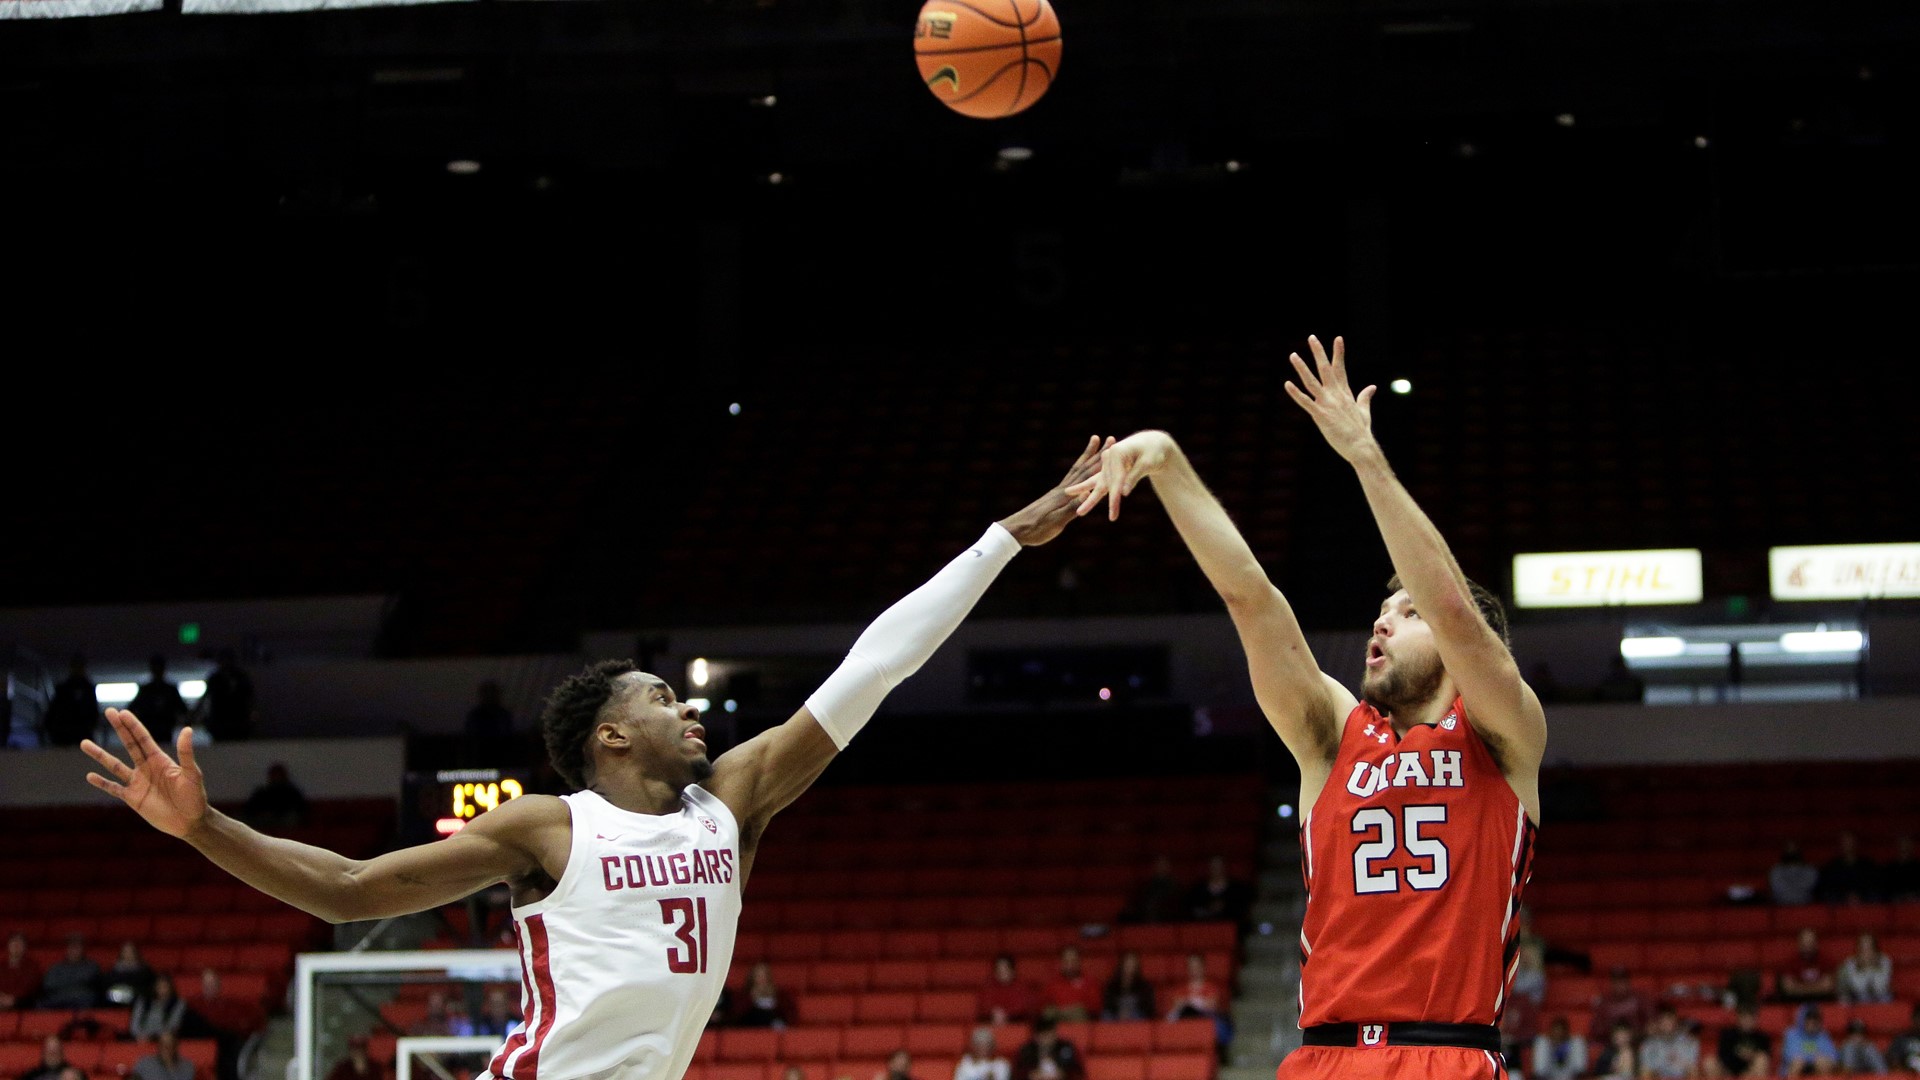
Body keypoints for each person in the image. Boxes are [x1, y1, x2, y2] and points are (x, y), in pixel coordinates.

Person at [79, 440, 1106, 1080]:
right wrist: (201, 826)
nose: (687, 707)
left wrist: (1005, 539)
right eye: (660, 698)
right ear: (610, 736)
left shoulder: (731, 804)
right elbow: (348, 891)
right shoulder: (551, 826)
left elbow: (873, 667)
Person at [1074, 338, 1546, 1080]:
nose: (1381, 622)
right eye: (1382, 611)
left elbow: (1454, 608)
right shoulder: (1333, 737)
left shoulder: (1504, 736)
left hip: (1446, 1056)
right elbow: (1251, 599)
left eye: (1407, 612)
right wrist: (1167, 463)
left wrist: (1365, 456)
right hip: (1323, 1057)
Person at [1164, 953, 1232, 1061]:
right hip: (1186, 1024)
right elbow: (1177, 1007)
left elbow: (1211, 1005)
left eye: (1197, 966)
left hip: (1205, 1021)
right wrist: (1198, 1002)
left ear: (1203, 967)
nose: (1194, 969)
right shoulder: (1180, 990)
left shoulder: (1211, 988)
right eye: (1191, 966)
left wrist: (1188, 1002)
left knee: (1218, 1025)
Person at [197, 648, 256, 742]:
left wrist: (251, 714)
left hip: (238, 718)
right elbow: (206, 696)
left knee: (238, 743)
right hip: (220, 719)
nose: (226, 663)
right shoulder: (215, 678)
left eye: (228, 660)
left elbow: (250, 697)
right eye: (223, 660)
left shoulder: (241, 677)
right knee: (222, 743)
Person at [128, 655, 189, 741]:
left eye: (159, 668)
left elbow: (183, 710)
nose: (157, 670)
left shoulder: (170, 690)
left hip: (165, 728)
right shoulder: (146, 690)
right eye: (155, 668)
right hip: (150, 728)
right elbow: (132, 708)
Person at [43, 655, 99, 747]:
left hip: (83, 732)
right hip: (64, 733)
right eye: (76, 667)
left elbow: (93, 711)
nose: (78, 670)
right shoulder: (63, 688)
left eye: (80, 667)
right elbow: (54, 710)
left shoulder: (88, 689)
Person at [1184, 855, 1251, 927]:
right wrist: (1209, 908)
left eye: (1219, 866)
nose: (1216, 870)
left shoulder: (1237, 889)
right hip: (1204, 928)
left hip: (1232, 928)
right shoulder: (1198, 890)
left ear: (1225, 868)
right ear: (1209, 868)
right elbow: (1192, 910)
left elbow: (1242, 911)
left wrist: (1225, 907)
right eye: (1213, 867)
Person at [1590, 968, 1654, 1042]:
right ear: (1612, 983)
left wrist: (1639, 1034)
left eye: (1622, 981)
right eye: (1616, 982)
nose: (1619, 985)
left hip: (1638, 1041)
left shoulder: (1640, 999)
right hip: (1611, 1043)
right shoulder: (1604, 1003)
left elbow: (1651, 1023)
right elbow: (1597, 1029)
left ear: (1628, 982)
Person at [1636, 1004, 1699, 1079]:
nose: (1667, 1024)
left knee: (1693, 1072)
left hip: (1682, 1077)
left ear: (1676, 1022)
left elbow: (1692, 1069)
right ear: (1658, 1023)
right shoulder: (1648, 1044)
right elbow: (1645, 1071)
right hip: (1658, 1078)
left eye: (1670, 1020)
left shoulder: (1689, 1042)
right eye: (1663, 1021)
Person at [38, 934, 101, 1009]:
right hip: (58, 998)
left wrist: (66, 981)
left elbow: (91, 982)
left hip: (82, 999)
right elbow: (48, 984)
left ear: (82, 949)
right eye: (71, 947)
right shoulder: (56, 968)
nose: (74, 951)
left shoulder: (91, 966)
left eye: (77, 947)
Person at [1041, 946, 1101, 1023]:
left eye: (1073, 961)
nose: (1070, 965)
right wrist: (1061, 1011)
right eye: (1066, 961)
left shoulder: (1090, 982)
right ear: (1061, 963)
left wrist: (1075, 1009)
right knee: (1048, 1013)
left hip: (1080, 1019)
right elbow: (1043, 1006)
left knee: (1079, 1013)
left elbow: (1095, 1007)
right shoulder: (1052, 983)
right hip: (1057, 1019)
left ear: (1079, 962)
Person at [1012, 1018, 1085, 1080]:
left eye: (1050, 1035)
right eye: (1044, 1036)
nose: (1048, 1040)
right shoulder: (1026, 1050)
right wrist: (1030, 1075)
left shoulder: (1066, 1048)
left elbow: (1078, 1072)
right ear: (1036, 1037)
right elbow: (1017, 1073)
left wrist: (1063, 1074)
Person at [241, 762, 309, 829]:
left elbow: (300, 809)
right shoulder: (262, 792)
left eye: (279, 775)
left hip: (284, 820)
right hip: (264, 820)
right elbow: (250, 809)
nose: (276, 778)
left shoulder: (292, 792)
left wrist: (279, 813)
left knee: (291, 818)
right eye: (274, 775)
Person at [1775, 929, 1836, 1003]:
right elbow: (1788, 988)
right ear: (1799, 944)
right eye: (1805, 944)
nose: (1808, 947)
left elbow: (1828, 987)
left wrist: (1799, 987)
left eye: (1810, 943)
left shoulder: (1826, 961)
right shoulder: (1790, 962)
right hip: (1795, 1002)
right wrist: (1817, 987)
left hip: (1822, 1002)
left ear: (1816, 944)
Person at [1817, 832, 1880, 903]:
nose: (1848, 845)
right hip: (1840, 902)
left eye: (1850, 841)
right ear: (1840, 844)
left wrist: (1859, 896)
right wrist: (1845, 897)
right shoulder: (1832, 866)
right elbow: (1827, 888)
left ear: (1856, 843)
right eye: (1845, 842)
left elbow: (1873, 885)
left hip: (1864, 902)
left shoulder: (1868, 865)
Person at [1120, 855, 1184, 924]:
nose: (1161, 868)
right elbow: (1140, 901)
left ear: (1169, 868)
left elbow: (1177, 903)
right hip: (1147, 916)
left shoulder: (1175, 886)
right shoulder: (1147, 885)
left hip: (1168, 915)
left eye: (1163, 866)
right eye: (1159, 866)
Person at [1713, 1005, 1772, 1078]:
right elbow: (1722, 1056)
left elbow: (1766, 1058)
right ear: (1738, 1018)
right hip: (1728, 1071)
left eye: (1749, 1018)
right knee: (1710, 1063)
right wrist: (1739, 1056)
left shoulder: (1762, 1038)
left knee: (1761, 1059)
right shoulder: (1728, 1035)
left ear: (1755, 1020)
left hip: (1750, 1073)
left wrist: (1751, 1056)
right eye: (1744, 1018)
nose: (1746, 1021)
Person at [979, 955, 1039, 1025]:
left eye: (1005, 969)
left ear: (1013, 971)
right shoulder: (988, 987)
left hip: (1016, 1023)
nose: (1001, 972)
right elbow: (983, 1008)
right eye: (999, 969)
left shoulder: (1021, 987)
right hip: (991, 1023)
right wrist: (993, 1013)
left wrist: (1006, 1015)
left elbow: (1024, 1009)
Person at [1778, 1007, 1837, 1076]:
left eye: (1815, 1019)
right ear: (1802, 1020)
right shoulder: (1791, 1034)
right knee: (1797, 1063)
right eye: (1809, 1019)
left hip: (1816, 1068)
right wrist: (1812, 1057)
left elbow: (1833, 1056)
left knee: (1823, 1064)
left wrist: (1817, 1060)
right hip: (1795, 1068)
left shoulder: (1824, 1035)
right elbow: (1789, 1056)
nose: (1812, 1022)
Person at [1837, 931, 1892, 1003]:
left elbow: (1880, 987)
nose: (1866, 951)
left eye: (1869, 947)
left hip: (1880, 998)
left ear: (1875, 948)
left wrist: (1871, 966)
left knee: (1886, 998)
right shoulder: (1850, 963)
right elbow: (1857, 987)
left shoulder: (1884, 961)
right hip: (1857, 999)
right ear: (1858, 948)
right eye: (1863, 947)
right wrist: (1863, 968)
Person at [732, 962, 791, 1029]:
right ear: (752, 977)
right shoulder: (744, 995)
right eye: (758, 975)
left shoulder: (779, 995)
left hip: (773, 1024)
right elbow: (739, 1014)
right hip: (753, 1024)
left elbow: (786, 1013)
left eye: (764, 975)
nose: (762, 978)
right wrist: (751, 997)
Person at [132, 973, 190, 1040]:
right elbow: (135, 1024)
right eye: (159, 986)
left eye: (165, 986)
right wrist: (140, 1035)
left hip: (165, 1039)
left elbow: (174, 1024)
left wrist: (155, 1036)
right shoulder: (143, 1002)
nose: (162, 990)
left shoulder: (178, 1003)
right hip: (142, 1039)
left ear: (170, 987)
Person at [1101, 952, 1155, 1022]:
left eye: (1132, 965)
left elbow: (1148, 1008)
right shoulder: (1112, 986)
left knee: (1138, 1016)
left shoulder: (1145, 986)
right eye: (1127, 964)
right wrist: (1119, 1012)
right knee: (1106, 1016)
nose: (1129, 968)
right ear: (1122, 965)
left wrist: (1130, 1013)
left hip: (1136, 1015)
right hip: (1116, 1015)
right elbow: (1108, 1004)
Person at [102, 940, 156, 1006]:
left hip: (137, 1001)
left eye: (130, 952)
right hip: (116, 1001)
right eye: (125, 952)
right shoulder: (113, 971)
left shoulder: (144, 972)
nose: (128, 954)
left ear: (136, 953)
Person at [1768, 842, 1819, 906]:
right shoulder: (1776, 871)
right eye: (1789, 850)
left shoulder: (1810, 870)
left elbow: (1808, 888)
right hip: (1781, 906)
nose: (1791, 853)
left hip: (1805, 905)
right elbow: (1778, 889)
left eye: (1794, 850)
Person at [132, 1031, 197, 1080]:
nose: (166, 1048)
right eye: (163, 1044)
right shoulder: (144, 1064)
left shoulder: (187, 1067)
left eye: (170, 1044)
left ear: (175, 1046)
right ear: (158, 1046)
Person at [0, 931, 41, 1009]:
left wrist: (13, 999)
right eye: (13, 942)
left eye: (20, 942)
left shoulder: (32, 967)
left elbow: (29, 988)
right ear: (8, 945)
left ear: (25, 947)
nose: (16, 945)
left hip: (22, 1003)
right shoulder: (1, 966)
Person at [1884, 836, 1920, 901]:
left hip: (1915, 900)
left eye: (1907, 847)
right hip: (1895, 900)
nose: (1904, 849)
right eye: (1901, 847)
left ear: (1912, 848)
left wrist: (1913, 895)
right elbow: (1887, 887)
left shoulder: (1917, 866)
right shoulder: (1890, 867)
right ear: (1897, 848)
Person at [1886, 1005, 1920, 1073]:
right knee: (1914, 1060)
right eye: (1919, 1018)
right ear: (1913, 1019)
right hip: (1907, 1074)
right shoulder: (1902, 1039)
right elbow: (1893, 1060)